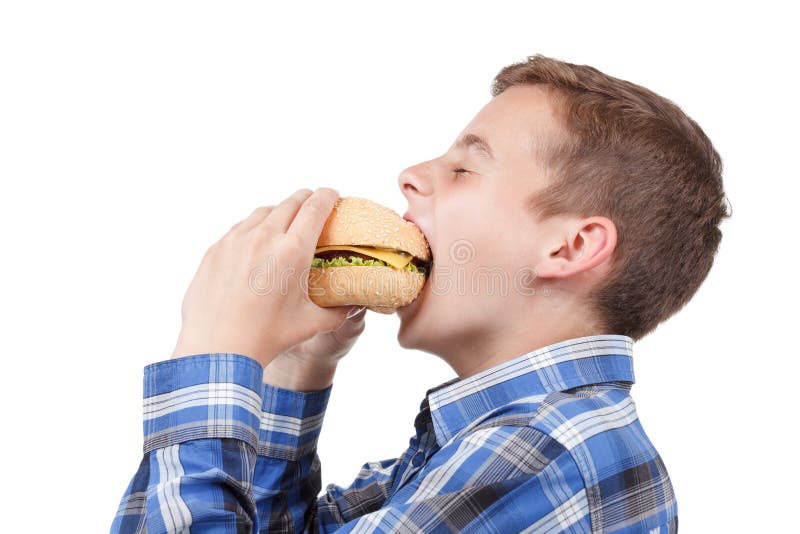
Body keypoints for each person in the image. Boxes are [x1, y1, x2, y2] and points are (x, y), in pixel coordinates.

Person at [111, 54, 729, 533]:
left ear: (569, 248)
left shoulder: (539, 456)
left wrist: (215, 352)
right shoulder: (502, 439)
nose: (411, 175)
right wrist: (301, 366)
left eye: (464, 168)